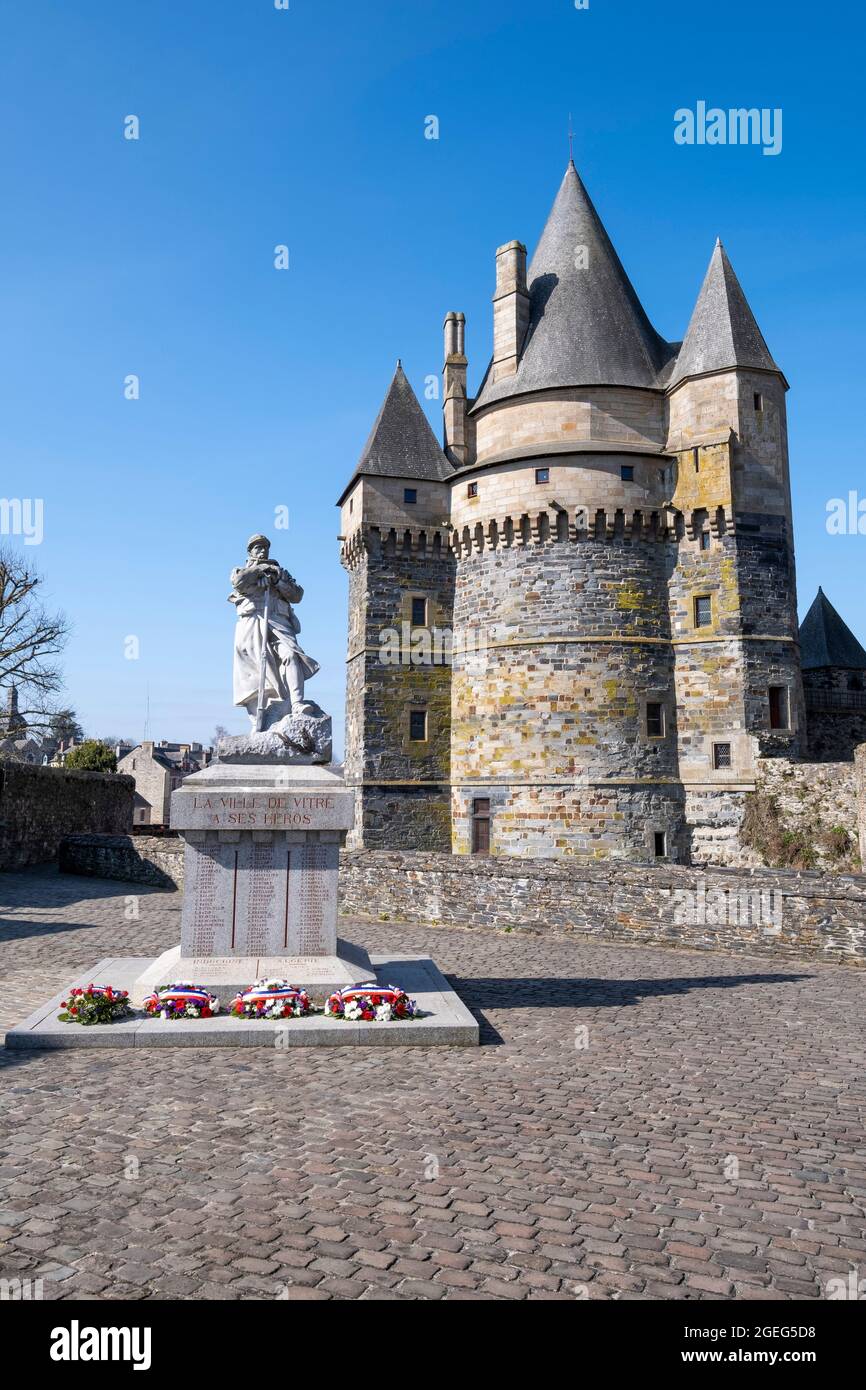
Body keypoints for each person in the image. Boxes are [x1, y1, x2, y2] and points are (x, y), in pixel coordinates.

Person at [230, 534, 319, 726]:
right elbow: (239, 582)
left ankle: (297, 703)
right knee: (257, 671)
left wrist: (278, 581)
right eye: (257, 548)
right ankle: (259, 718)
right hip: (253, 624)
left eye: (265, 548)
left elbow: (297, 595)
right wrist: (260, 569)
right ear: (250, 551)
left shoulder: (280, 572)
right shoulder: (241, 571)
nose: (262, 551)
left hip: (279, 622)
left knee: (291, 655)